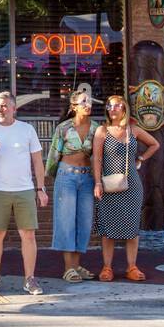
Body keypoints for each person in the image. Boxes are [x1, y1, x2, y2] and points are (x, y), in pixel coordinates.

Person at [0, 91, 48, 295]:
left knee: (28, 234)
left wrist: (40, 188)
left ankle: (30, 280)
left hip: (24, 189)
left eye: (5, 106)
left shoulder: (27, 130)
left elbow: (37, 161)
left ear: (13, 108)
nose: (1, 109)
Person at [92, 94, 159, 282]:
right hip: (108, 185)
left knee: (132, 228)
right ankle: (107, 267)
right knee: (108, 229)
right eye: (109, 106)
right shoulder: (102, 131)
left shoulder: (133, 130)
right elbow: (96, 158)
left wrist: (141, 158)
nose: (112, 109)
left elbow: (155, 144)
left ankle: (132, 267)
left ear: (124, 108)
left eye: (116, 106)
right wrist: (97, 182)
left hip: (131, 185)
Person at [47, 92, 99, 283]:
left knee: (84, 222)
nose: (88, 104)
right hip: (66, 175)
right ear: (74, 105)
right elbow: (54, 153)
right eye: (83, 101)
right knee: (66, 220)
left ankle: (76, 265)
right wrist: (51, 177)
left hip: (87, 178)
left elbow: (99, 154)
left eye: (90, 101)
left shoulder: (96, 128)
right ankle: (68, 268)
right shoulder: (64, 127)